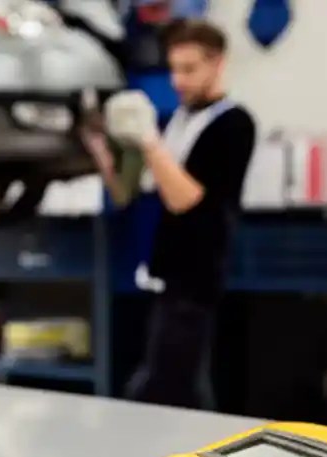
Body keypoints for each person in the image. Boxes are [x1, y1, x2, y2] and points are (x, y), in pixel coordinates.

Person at [83, 19, 256, 409]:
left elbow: (186, 200)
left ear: (218, 64)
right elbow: (130, 191)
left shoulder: (233, 124)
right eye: (173, 69)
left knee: (162, 386)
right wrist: (102, 149)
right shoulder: (179, 120)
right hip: (165, 274)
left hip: (196, 279)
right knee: (178, 384)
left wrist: (148, 141)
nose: (178, 80)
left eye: (189, 69)